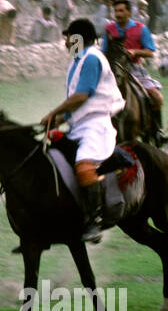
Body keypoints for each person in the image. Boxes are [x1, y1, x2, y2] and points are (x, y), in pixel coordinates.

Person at [40, 19, 126, 244]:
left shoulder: (92, 58)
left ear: (78, 39)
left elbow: (81, 97)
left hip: (96, 126)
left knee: (83, 165)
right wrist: (57, 120)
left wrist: (53, 113)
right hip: (78, 126)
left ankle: (94, 222)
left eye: (69, 37)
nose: (66, 42)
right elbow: (76, 106)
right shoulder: (76, 63)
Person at [105, 0, 167, 141]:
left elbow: (150, 51)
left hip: (134, 69)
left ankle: (157, 131)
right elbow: (105, 50)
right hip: (113, 69)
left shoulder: (140, 28)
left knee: (157, 97)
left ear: (129, 12)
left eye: (121, 11)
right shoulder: (109, 29)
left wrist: (136, 52)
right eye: (115, 11)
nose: (117, 14)